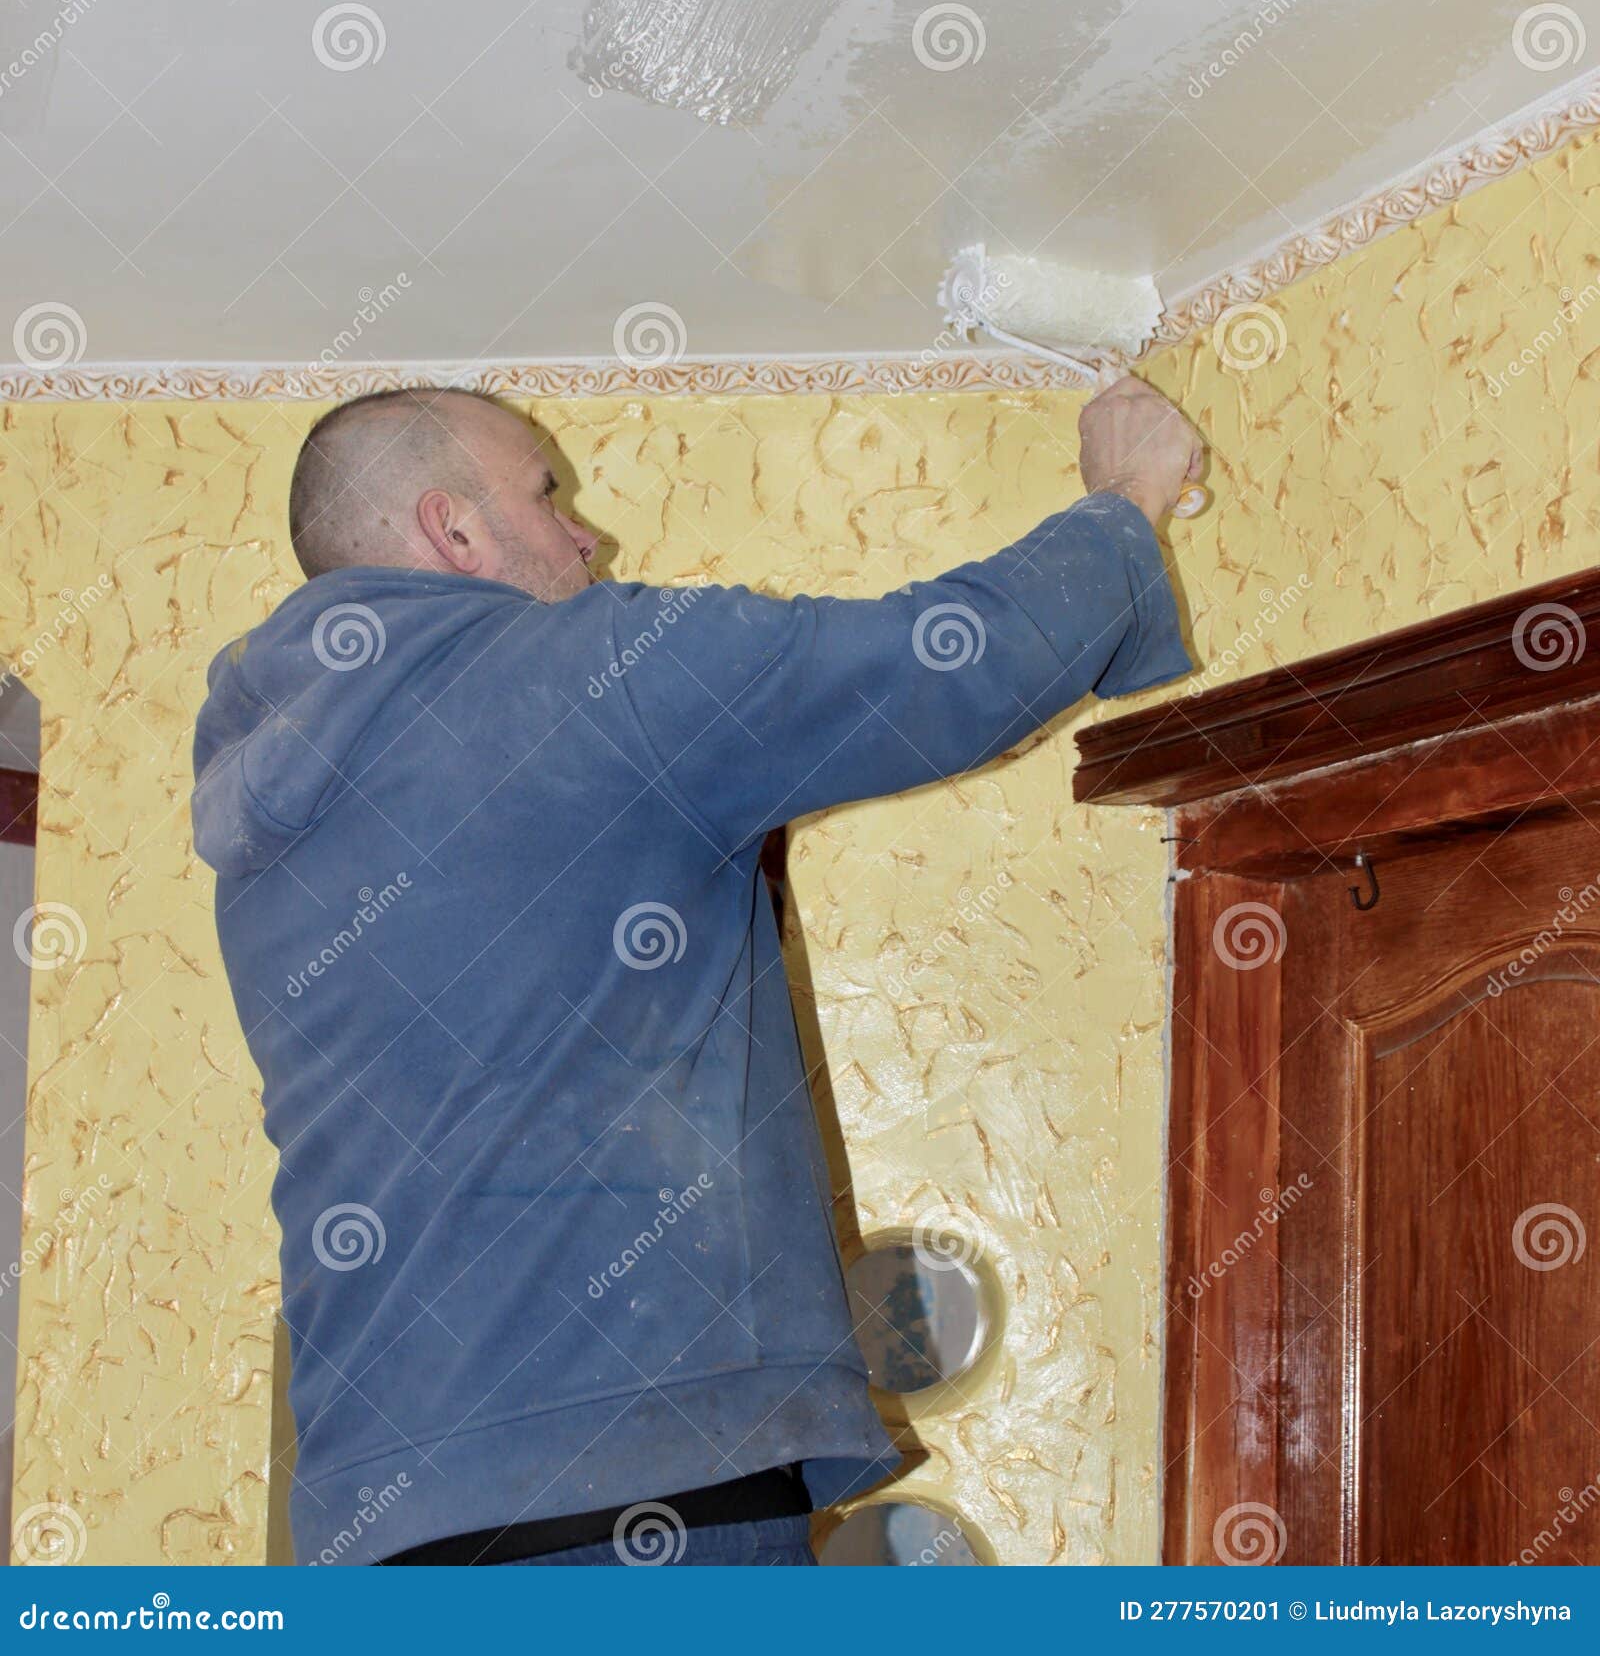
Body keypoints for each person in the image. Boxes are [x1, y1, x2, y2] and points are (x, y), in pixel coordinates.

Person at [190, 377, 1201, 1566]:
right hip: (633, 1498)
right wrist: (1125, 498)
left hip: (376, 1517)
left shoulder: (266, 817)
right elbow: (948, 663)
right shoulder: (588, 673)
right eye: (545, 492)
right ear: (450, 529)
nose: (587, 535)